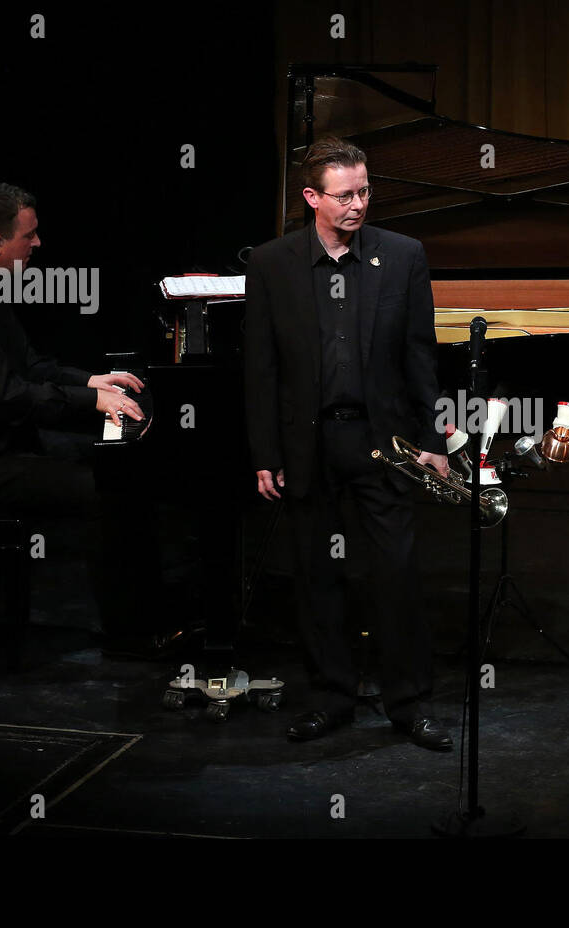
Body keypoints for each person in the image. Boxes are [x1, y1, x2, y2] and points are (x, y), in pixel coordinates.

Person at [243, 137, 453, 751]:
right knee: (316, 577)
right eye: (345, 195)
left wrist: (432, 439)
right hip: (308, 445)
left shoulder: (404, 255)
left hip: (381, 442)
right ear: (312, 198)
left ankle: (408, 704)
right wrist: (264, 454)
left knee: (396, 573)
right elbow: (261, 369)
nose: (358, 203)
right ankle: (331, 698)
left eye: (364, 190)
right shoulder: (271, 263)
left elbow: (421, 356)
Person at [0, 182, 170, 655]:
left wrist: (92, 380)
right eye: (28, 236)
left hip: (9, 443)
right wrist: (87, 402)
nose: (38, 244)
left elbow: (30, 367)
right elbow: (9, 394)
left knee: (120, 470)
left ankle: (149, 613)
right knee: (106, 489)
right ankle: (131, 634)